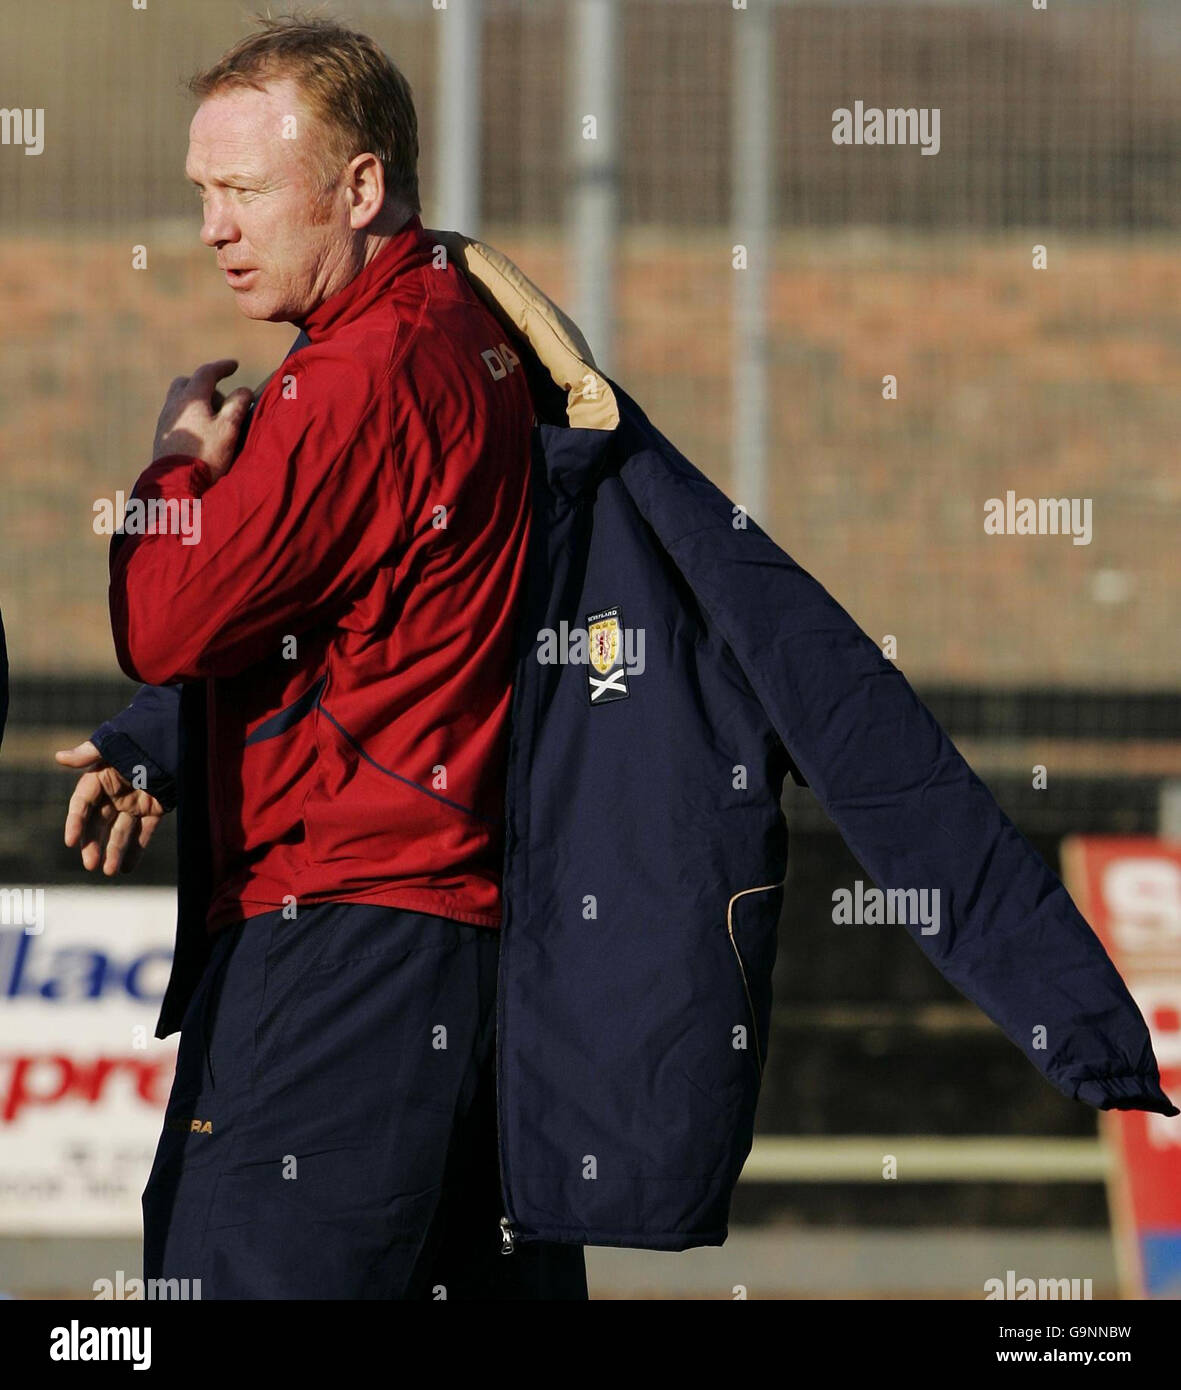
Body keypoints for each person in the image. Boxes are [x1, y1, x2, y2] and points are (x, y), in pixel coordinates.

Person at [56, 15, 586, 1300]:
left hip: (342, 939)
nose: (212, 228)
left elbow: (165, 615)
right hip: (451, 940)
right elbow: (367, 619)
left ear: (358, 187)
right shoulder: (455, 321)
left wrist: (176, 463)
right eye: (202, 192)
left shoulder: (359, 372)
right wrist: (163, 737)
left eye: (244, 191)